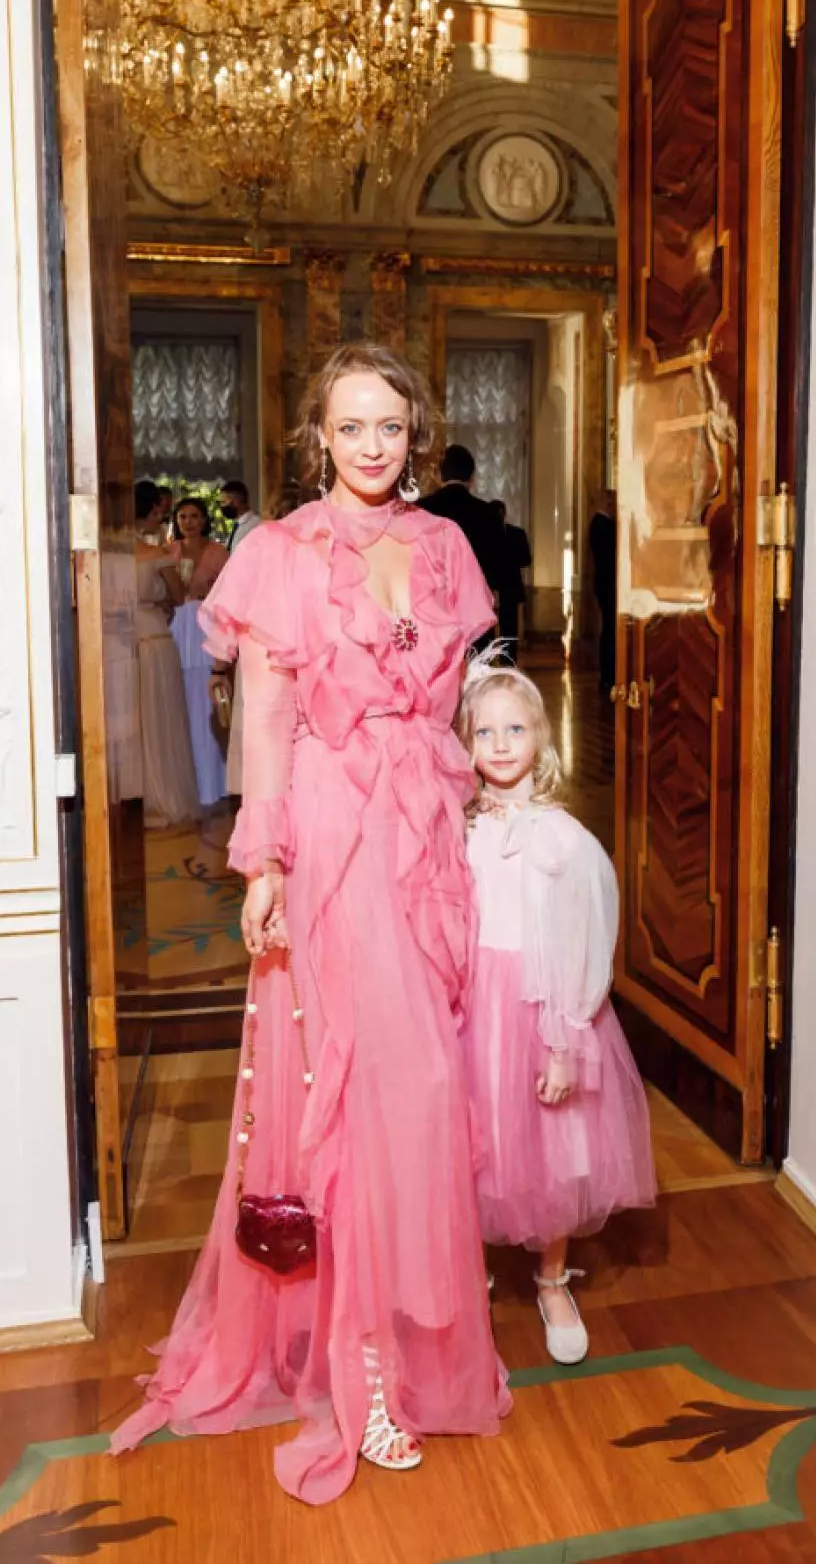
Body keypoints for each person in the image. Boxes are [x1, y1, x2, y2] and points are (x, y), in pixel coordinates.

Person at [112, 345, 510, 1502]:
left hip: (424, 832)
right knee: (359, 1088)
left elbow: (448, 703)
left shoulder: (443, 546)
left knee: (427, 1086)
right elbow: (271, 722)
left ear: (416, 432)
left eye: (391, 425)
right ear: (316, 437)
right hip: (333, 836)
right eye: (352, 427)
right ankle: (363, 1369)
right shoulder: (280, 552)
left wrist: (482, 808)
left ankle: (415, 1334)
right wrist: (264, 860)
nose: (374, 446)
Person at [458, 658, 655, 1365]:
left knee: (551, 1147)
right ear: (465, 741)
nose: (502, 743)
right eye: (486, 731)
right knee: (476, 1142)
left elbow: (584, 937)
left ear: (541, 737)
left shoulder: (563, 839)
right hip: (473, 1011)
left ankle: (550, 1279)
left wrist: (566, 1035)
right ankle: (468, 1277)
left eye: (516, 728)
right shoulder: (458, 831)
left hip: (543, 1012)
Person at [133, 482, 201, 830]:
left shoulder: (108, 553)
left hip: (121, 641)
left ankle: (138, 795)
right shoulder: (157, 555)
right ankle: (166, 795)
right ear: (152, 512)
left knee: (135, 722)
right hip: (155, 638)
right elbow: (178, 595)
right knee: (162, 718)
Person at [168, 497, 230, 807]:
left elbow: (231, 592)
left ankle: (214, 782)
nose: (188, 522)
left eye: (194, 516)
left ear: (204, 519)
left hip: (206, 625)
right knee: (181, 699)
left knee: (206, 702)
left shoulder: (218, 552)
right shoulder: (169, 550)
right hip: (179, 624)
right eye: (182, 517)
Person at [421, 444, 502, 614]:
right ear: (472, 477)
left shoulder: (421, 509)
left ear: (439, 475)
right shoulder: (489, 513)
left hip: (432, 604)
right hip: (474, 604)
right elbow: (495, 563)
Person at [489, 499, 531, 663]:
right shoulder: (484, 535)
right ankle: (489, 659)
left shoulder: (517, 533)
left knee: (510, 628)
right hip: (489, 587)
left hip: (510, 588)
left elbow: (526, 559)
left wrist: (508, 558)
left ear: (505, 514)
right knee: (486, 628)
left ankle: (509, 660)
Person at [588, 491, 618, 695]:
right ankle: (609, 675)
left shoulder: (599, 523)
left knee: (609, 629)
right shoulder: (604, 524)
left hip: (605, 583)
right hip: (609, 584)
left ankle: (608, 675)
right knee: (610, 631)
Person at [221, 479, 261, 553]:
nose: (222, 506)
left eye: (224, 501)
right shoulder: (237, 526)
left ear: (237, 500)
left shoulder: (256, 524)